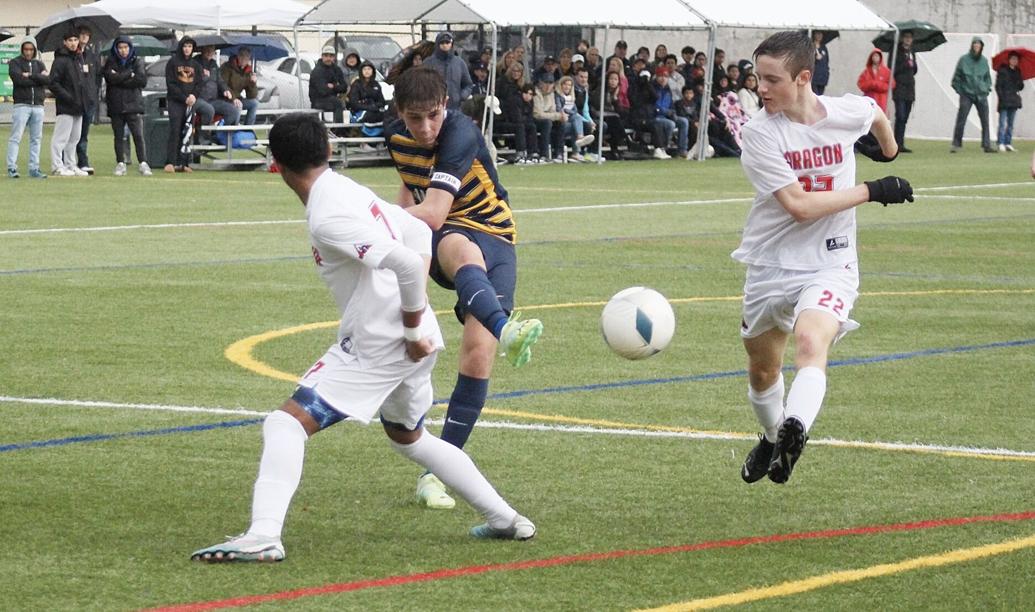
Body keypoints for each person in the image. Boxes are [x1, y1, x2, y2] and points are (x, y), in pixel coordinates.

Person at [190, 113, 535, 563]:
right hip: (412, 333)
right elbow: (416, 230)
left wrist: (409, 329)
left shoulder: (327, 213)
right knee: (409, 437)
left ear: (275, 164)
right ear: (330, 151)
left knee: (285, 423)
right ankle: (507, 519)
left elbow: (410, 265)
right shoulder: (346, 189)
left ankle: (263, 535)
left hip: (384, 341)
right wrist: (415, 321)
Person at [733, 31, 913, 485]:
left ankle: (796, 429)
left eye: (772, 79)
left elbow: (873, 112)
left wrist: (885, 147)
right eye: (758, 78)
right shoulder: (758, 134)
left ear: (804, 78)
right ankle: (774, 436)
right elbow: (798, 206)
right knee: (762, 371)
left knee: (812, 344)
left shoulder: (843, 110)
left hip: (831, 262)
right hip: (771, 265)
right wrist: (874, 189)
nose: (761, 88)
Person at [384, 68, 543, 509]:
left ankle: (436, 473)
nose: (426, 128)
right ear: (400, 113)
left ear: (446, 106)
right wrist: (394, 234)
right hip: (451, 233)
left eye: (433, 116)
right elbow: (422, 202)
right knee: (458, 249)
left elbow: (430, 209)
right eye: (415, 119)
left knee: (477, 353)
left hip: (497, 233)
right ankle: (506, 327)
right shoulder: (394, 135)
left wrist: (368, 217)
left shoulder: (461, 132)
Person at [103, 36, 151, 176]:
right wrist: (128, 74)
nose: (123, 51)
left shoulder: (137, 61)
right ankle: (120, 163)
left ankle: (143, 162)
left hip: (133, 104)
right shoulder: (110, 62)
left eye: (126, 47)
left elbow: (141, 80)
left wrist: (120, 78)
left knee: (137, 134)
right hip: (116, 105)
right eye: (120, 48)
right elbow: (110, 79)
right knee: (118, 136)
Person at [6, 36, 49, 179]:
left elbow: (47, 80)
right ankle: (12, 167)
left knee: (36, 138)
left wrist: (29, 76)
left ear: (35, 50)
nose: (28, 52)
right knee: (16, 137)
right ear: (22, 49)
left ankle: (34, 168)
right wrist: (37, 78)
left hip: (38, 105)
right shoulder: (15, 63)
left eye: (31, 49)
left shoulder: (40, 64)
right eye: (26, 49)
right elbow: (18, 80)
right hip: (21, 105)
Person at [48, 30, 87, 176]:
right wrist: (68, 96)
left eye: (75, 40)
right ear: (65, 42)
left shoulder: (78, 59)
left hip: (79, 105)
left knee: (74, 138)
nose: (73, 43)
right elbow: (53, 83)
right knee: (61, 138)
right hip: (66, 105)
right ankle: (57, 165)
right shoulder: (60, 60)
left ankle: (71, 164)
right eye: (70, 40)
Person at [950, 37, 996, 153]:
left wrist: (985, 89)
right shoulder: (963, 60)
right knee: (962, 119)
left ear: (981, 47)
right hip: (967, 94)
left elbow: (987, 78)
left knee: (985, 120)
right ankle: (956, 144)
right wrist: (961, 91)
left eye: (978, 44)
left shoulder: (984, 61)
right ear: (972, 46)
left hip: (981, 95)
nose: (976, 46)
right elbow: (956, 79)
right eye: (975, 44)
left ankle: (986, 145)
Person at [164, 36, 202, 173]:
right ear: (181, 47)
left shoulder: (196, 65)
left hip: (190, 103)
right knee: (175, 130)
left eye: (190, 46)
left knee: (187, 133)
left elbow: (199, 84)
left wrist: (193, 96)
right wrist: (184, 97)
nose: (187, 49)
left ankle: (184, 163)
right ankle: (170, 162)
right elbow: (171, 84)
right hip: (175, 102)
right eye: (185, 46)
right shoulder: (173, 62)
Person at [422, 32, 473, 111]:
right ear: (437, 44)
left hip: (455, 108)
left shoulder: (459, 63)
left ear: (451, 44)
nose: (445, 45)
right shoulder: (428, 63)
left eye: (447, 42)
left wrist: (461, 96)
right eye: (442, 42)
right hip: (433, 108)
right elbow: (421, 84)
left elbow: (468, 85)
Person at [194, 45, 240, 131]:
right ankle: (203, 138)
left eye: (212, 50)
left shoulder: (213, 64)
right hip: (198, 98)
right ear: (202, 50)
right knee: (209, 110)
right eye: (207, 50)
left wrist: (225, 90)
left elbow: (220, 81)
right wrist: (203, 76)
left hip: (213, 100)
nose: (209, 52)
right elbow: (192, 82)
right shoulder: (195, 63)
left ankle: (219, 134)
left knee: (233, 110)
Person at [75, 26, 102, 175]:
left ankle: (83, 162)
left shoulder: (92, 56)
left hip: (89, 100)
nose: (84, 37)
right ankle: (67, 160)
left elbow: (97, 76)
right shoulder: (72, 55)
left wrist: (93, 93)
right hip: (75, 99)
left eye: (87, 34)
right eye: (82, 34)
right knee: (72, 134)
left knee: (84, 133)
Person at [891, 31, 918, 153]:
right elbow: (892, 69)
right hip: (899, 88)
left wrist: (912, 64)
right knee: (900, 116)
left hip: (910, 89)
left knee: (905, 117)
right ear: (902, 39)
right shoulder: (896, 51)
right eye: (906, 37)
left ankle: (901, 143)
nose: (908, 40)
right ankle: (896, 143)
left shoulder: (911, 52)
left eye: (910, 38)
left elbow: (914, 70)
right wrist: (906, 63)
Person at [220, 47, 260, 126]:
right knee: (238, 105)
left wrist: (253, 83)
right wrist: (233, 98)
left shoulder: (248, 72)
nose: (244, 58)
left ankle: (247, 129)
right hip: (224, 97)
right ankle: (233, 130)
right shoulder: (227, 67)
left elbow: (251, 95)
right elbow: (223, 85)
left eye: (247, 56)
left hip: (238, 98)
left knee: (254, 103)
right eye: (241, 55)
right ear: (237, 56)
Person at [532, 72, 567, 162]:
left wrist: (558, 116)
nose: (548, 86)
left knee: (560, 123)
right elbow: (537, 114)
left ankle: (559, 153)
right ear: (540, 83)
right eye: (545, 83)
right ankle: (544, 154)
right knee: (547, 123)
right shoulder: (535, 93)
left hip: (547, 118)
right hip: (535, 119)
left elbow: (553, 109)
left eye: (550, 83)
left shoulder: (551, 94)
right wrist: (557, 116)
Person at [309, 46, 348, 124]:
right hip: (318, 100)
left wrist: (333, 86)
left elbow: (344, 87)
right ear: (322, 56)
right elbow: (322, 91)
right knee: (338, 103)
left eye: (331, 56)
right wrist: (337, 87)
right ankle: (339, 130)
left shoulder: (337, 69)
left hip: (332, 99)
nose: (328, 58)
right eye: (326, 55)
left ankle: (342, 130)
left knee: (344, 103)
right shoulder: (317, 71)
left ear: (334, 57)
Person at [995, 52, 1023, 152]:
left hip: (1014, 100)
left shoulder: (1018, 71)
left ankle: (1008, 142)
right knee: (1002, 123)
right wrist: (1001, 97)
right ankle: (1000, 142)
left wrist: (1019, 81)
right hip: (1005, 100)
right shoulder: (1002, 71)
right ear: (1009, 60)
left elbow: (1020, 86)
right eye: (1013, 59)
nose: (1014, 61)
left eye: (1016, 59)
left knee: (1011, 123)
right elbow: (998, 86)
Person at [857, 48, 892, 114]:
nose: (875, 57)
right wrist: (871, 84)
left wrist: (878, 85)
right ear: (871, 57)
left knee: (880, 119)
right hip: (869, 99)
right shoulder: (866, 72)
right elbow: (860, 83)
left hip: (881, 100)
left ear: (880, 58)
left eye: (877, 56)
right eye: (874, 55)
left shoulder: (886, 72)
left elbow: (891, 84)